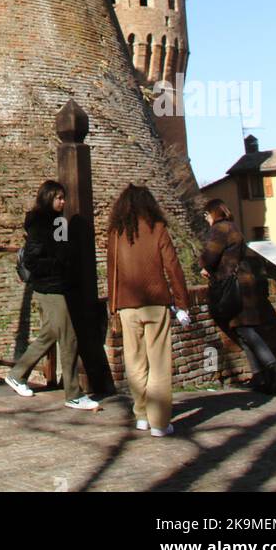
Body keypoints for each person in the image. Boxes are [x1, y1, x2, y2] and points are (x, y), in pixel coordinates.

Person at [5, 180, 99, 410]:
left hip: (60, 284)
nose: (63, 201)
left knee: (49, 334)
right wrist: (56, 266)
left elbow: (63, 248)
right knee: (68, 337)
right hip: (49, 287)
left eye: (63, 197)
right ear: (48, 198)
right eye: (58, 197)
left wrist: (65, 261)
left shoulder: (59, 222)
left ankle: (17, 375)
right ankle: (74, 394)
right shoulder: (39, 223)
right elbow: (33, 259)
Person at [107, 183, 190, 437]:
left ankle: (141, 414)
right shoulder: (157, 228)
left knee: (135, 362)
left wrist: (113, 306)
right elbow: (173, 267)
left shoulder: (117, 232)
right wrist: (182, 303)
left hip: (126, 306)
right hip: (155, 304)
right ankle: (160, 422)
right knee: (159, 364)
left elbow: (112, 272)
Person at [200, 199, 276, 393]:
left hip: (232, 284)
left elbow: (210, 256)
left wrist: (205, 266)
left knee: (246, 330)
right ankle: (259, 376)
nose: (206, 219)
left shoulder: (219, 229)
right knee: (242, 330)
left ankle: (275, 371)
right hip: (245, 280)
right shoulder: (233, 227)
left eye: (207, 215)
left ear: (213, 213)